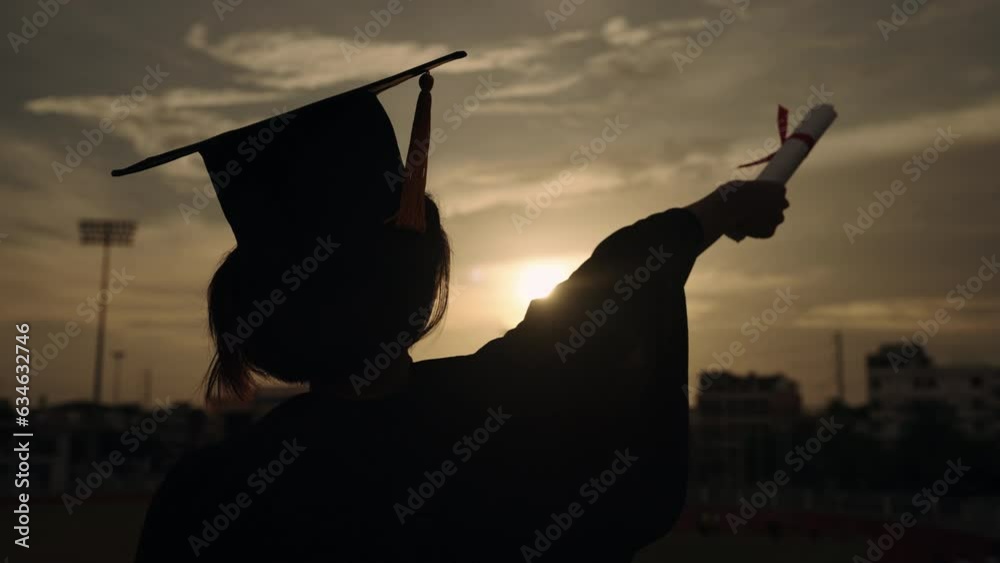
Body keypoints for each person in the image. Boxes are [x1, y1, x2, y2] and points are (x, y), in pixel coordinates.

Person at [114, 52, 788, 562]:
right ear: (417, 277)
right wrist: (712, 213)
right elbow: (606, 297)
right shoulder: (494, 420)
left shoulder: (208, 497)